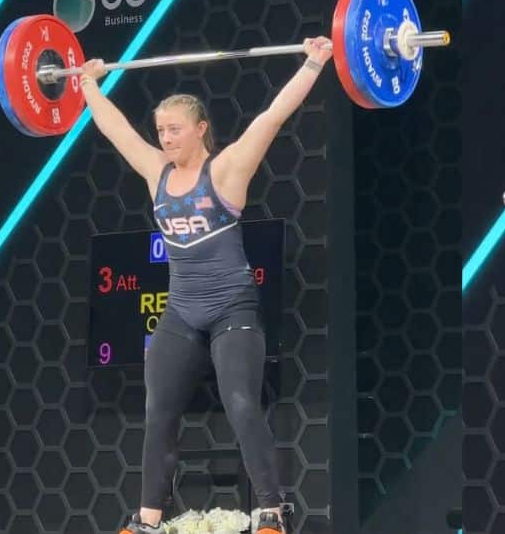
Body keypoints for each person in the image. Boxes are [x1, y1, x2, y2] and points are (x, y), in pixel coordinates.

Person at [80, 37, 335, 534]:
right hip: (181, 311)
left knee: (240, 405)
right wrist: (88, 84)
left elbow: (272, 118)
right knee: (159, 412)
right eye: (161, 130)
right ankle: (148, 520)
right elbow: (116, 129)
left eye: (175, 129)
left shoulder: (227, 170)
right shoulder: (155, 172)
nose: (165, 138)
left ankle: (271, 511)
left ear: (200, 129)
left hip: (231, 309)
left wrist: (313, 62)